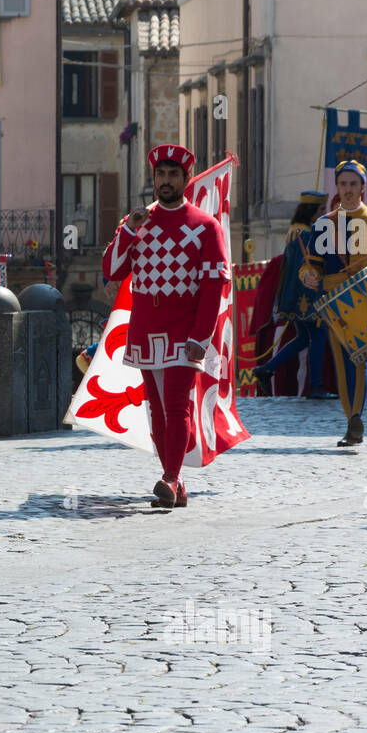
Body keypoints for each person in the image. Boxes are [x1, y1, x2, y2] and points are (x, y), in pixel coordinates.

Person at [101, 143, 230, 508]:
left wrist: (200, 337)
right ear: (153, 178)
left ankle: (170, 477)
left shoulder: (205, 227)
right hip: (146, 329)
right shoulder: (138, 222)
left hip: (185, 330)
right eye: (161, 174)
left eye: (174, 174)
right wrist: (129, 230)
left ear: (186, 179)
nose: (166, 180)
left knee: (177, 406)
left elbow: (213, 287)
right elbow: (112, 270)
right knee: (156, 410)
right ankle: (176, 481)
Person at [301, 159, 367, 446]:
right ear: (337, 187)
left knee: (361, 359)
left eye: (353, 184)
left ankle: (356, 417)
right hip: (334, 299)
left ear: (362, 188)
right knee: (342, 362)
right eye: (343, 184)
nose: (348, 189)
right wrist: (308, 275)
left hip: (366, 297)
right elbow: (312, 265)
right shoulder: (324, 224)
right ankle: (351, 420)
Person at [252, 190, 331, 398]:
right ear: (312, 211)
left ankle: (266, 369)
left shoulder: (298, 231)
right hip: (307, 296)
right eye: (322, 209)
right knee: (318, 335)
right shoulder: (305, 234)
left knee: (303, 339)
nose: (326, 212)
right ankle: (315, 385)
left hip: (298, 296)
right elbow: (307, 267)